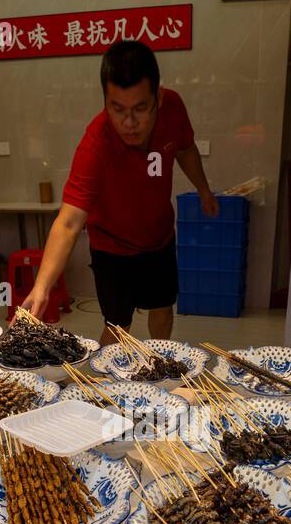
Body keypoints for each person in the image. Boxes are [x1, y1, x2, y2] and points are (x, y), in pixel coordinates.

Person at [23, 40, 216, 346]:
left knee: (162, 307)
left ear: (158, 98)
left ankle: (158, 359)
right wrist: (42, 287)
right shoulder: (96, 143)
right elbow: (69, 222)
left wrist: (204, 190)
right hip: (111, 246)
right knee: (118, 325)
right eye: (118, 109)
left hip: (159, 236)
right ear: (105, 102)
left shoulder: (173, 108)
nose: (129, 123)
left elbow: (186, 149)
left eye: (140, 108)